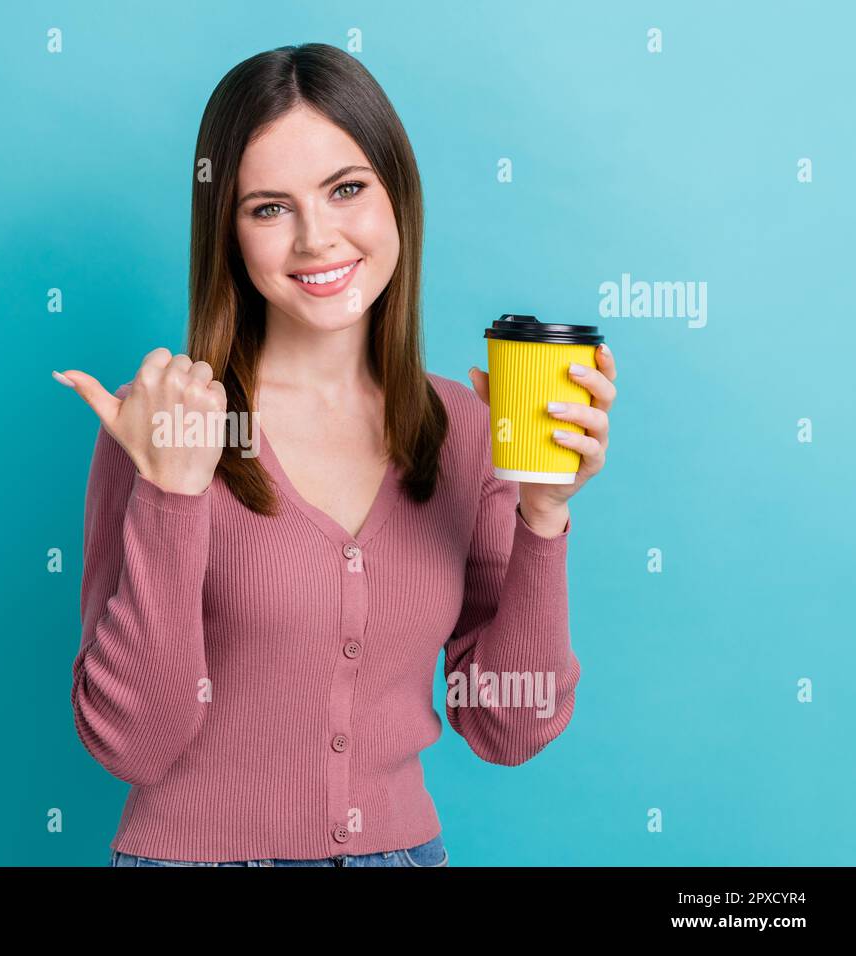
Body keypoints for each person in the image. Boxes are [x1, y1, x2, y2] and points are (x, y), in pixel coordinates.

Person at [55, 42, 617, 867]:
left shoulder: (465, 431)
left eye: (347, 189)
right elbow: (132, 743)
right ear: (229, 234)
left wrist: (543, 515)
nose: (318, 238)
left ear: (399, 200)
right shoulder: (164, 426)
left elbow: (508, 728)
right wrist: (174, 494)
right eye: (269, 208)